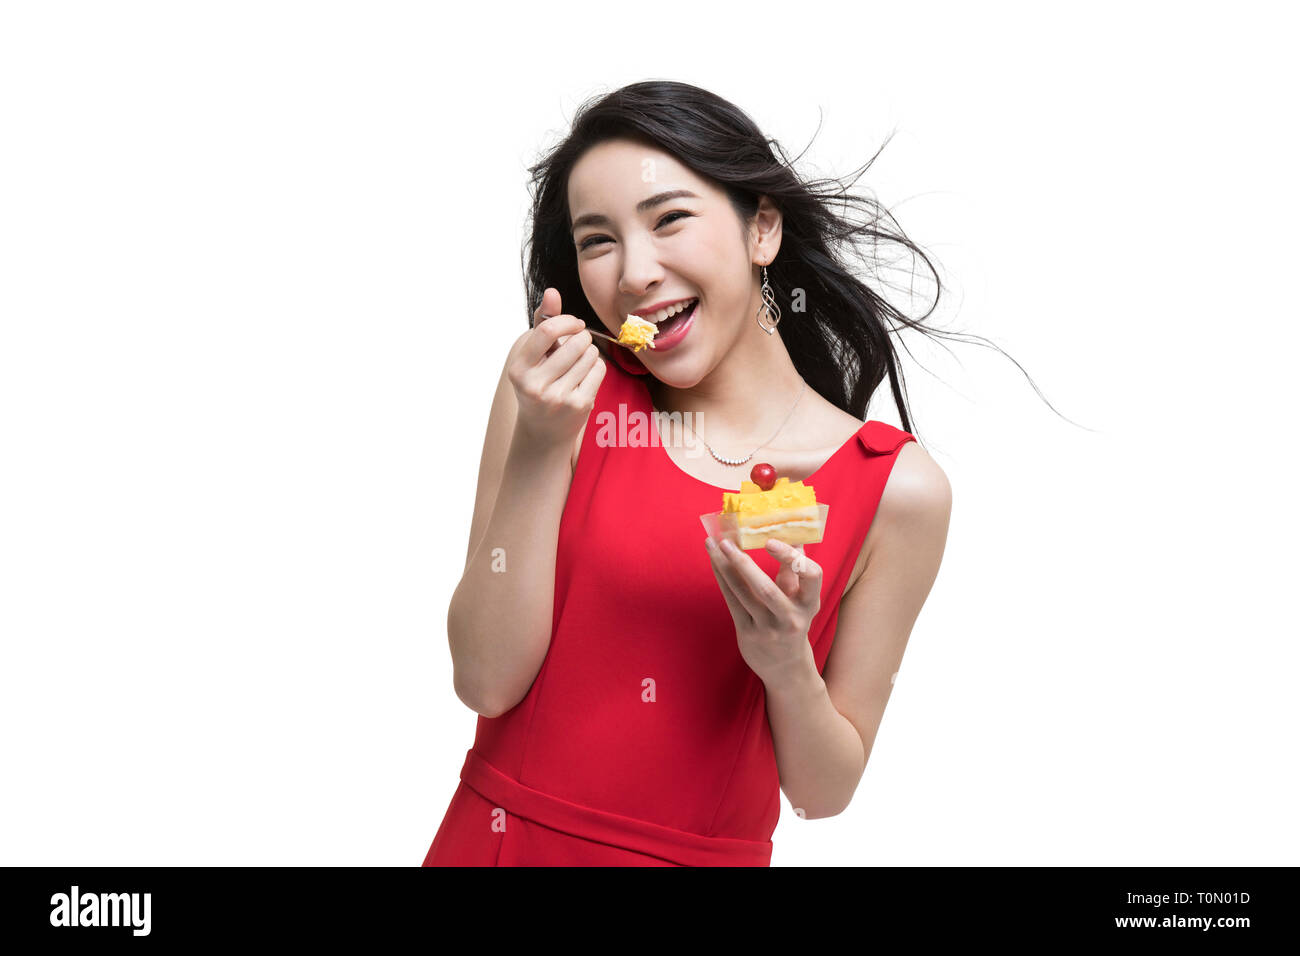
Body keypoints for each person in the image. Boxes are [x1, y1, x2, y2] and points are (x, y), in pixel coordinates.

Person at [422, 80, 956, 866]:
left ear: (762, 229)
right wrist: (538, 446)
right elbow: (484, 681)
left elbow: (821, 795)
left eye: (669, 218)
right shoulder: (560, 397)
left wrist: (785, 664)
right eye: (597, 241)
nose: (635, 273)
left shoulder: (895, 490)